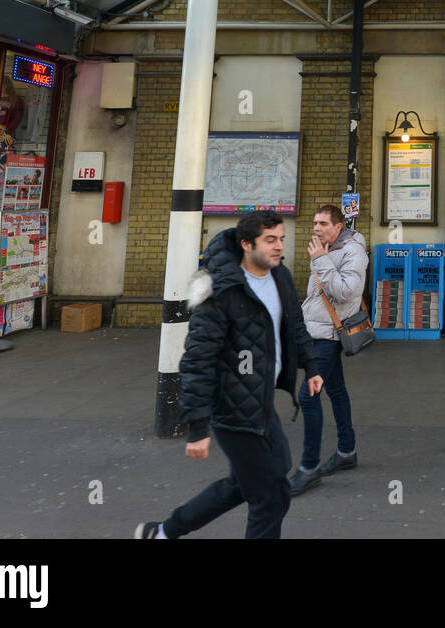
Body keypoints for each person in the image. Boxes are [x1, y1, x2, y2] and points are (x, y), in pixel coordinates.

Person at [135, 211, 323, 539]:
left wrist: (311, 365)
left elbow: (294, 325)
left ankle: (163, 532)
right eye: (270, 240)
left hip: (260, 401)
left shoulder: (281, 277)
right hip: (231, 410)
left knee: (253, 481)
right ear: (246, 244)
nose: (279, 246)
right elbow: (197, 359)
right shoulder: (220, 291)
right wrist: (197, 426)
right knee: (270, 498)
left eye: (281, 239)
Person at [289, 204, 367, 496]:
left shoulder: (352, 252)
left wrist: (321, 260)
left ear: (338, 226)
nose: (316, 228)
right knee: (336, 391)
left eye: (323, 223)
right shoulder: (327, 248)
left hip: (328, 336)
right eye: (314, 223)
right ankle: (347, 451)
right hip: (317, 331)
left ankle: (308, 469)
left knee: (307, 396)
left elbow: (347, 291)